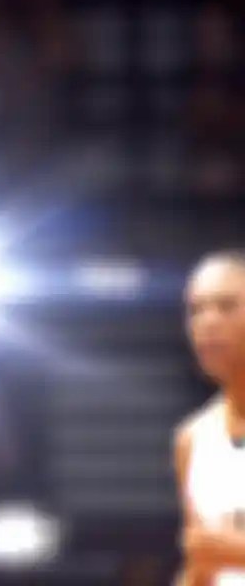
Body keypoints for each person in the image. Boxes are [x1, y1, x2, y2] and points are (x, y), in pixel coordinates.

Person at [175, 249, 245, 586]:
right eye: (196, 310)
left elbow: (222, 550)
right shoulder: (193, 438)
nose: (208, 322)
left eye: (227, 306)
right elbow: (200, 568)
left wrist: (236, 550)